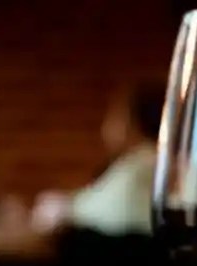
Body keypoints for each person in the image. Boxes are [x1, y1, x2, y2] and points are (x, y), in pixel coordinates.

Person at [32, 83, 166, 238]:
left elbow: (88, 214)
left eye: (116, 116)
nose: (107, 126)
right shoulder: (140, 162)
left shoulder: (142, 165)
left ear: (130, 124)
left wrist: (54, 207)